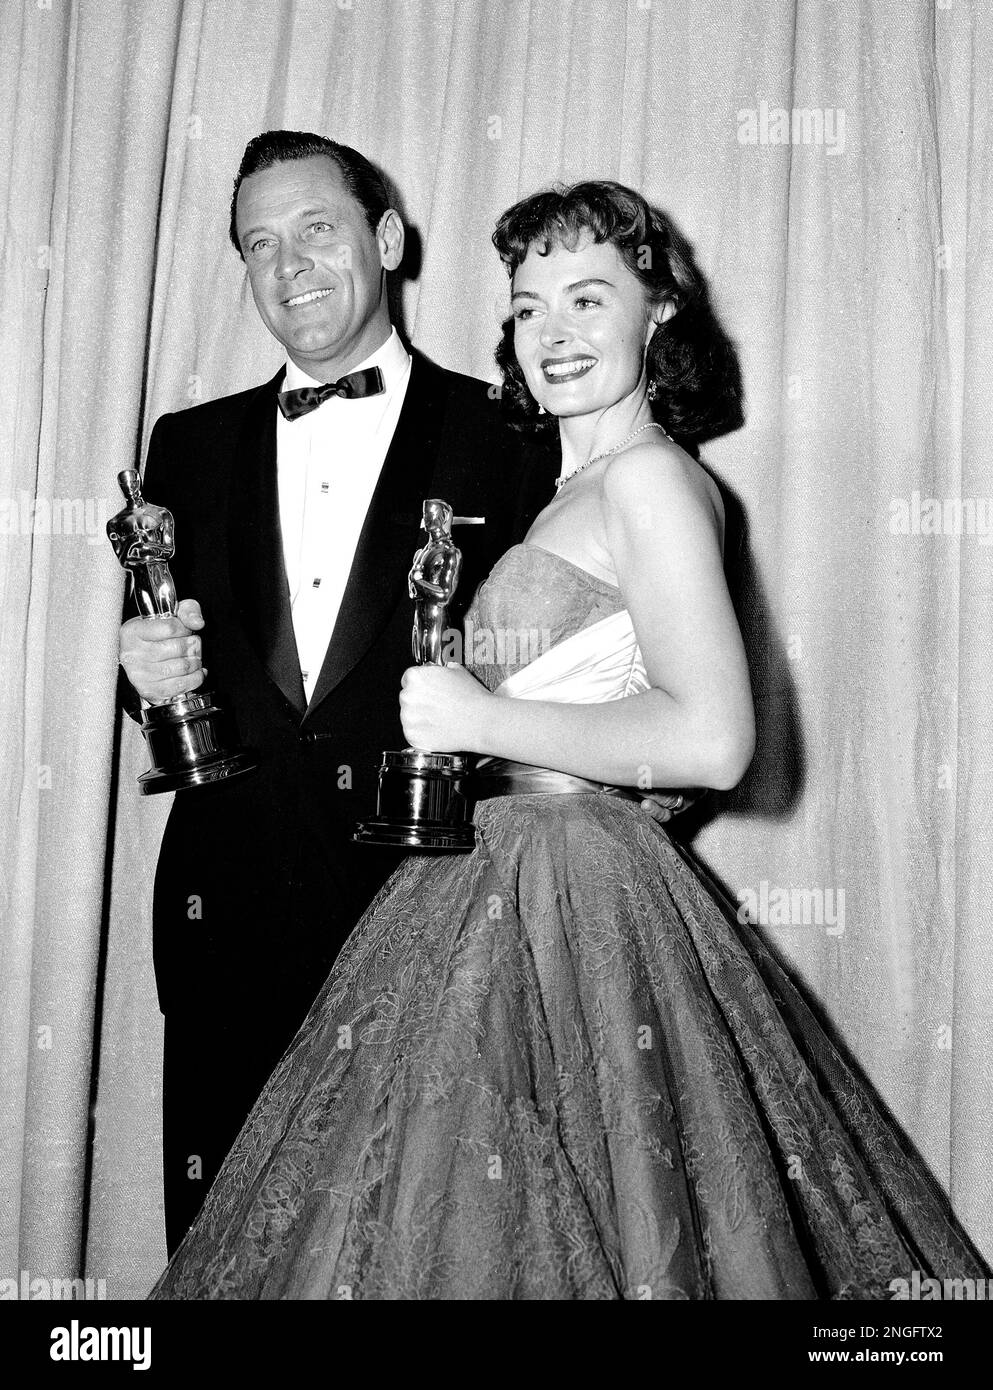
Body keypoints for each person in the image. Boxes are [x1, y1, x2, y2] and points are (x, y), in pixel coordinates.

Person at [148, 179, 986, 1300]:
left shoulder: (649, 480)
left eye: (590, 300)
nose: (555, 334)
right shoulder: (567, 489)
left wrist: (486, 721)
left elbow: (716, 740)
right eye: (531, 307)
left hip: (572, 889)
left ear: (659, 315)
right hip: (492, 876)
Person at [118, 134, 687, 1255]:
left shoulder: (518, 434)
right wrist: (143, 679)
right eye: (258, 244)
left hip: (428, 932)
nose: (290, 266)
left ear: (386, 240)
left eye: (317, 229)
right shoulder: (184, 446)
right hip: (223, 932)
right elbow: (176, 661)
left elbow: (609, 670)